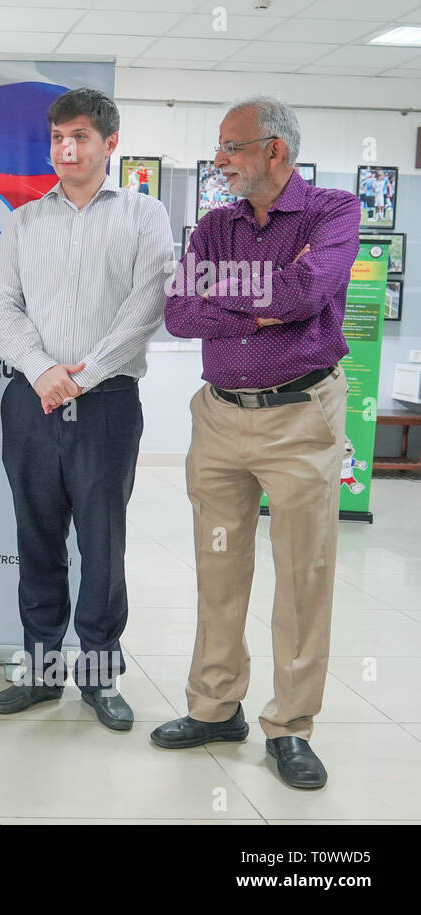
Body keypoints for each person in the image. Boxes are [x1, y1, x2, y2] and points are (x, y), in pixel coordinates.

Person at [155, 95, 359, 791]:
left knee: (302, 577)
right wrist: (263, 304)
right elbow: (180, 311)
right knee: (218, 572)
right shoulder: (216, 224)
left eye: (231, 147)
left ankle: (292, 726)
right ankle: (215, 706)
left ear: (275, 150)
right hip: (219, 417)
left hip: (300, 418)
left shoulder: (333, 211)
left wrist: (239, 295)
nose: (220, 161)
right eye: (220, 147)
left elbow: (307, 291)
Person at [0, 87, 173, 730]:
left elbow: (146, 306)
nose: (68, 148)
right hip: (30, 401)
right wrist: (42, 371)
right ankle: (41, 672)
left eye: (82, 137)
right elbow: (2, 306)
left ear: (109, 144)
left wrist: (83, 377)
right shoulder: (23, 221)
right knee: (36, 539)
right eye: (59, 138)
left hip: (108, 403)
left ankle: (98, 676)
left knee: (102, 542)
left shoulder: (145, 216)